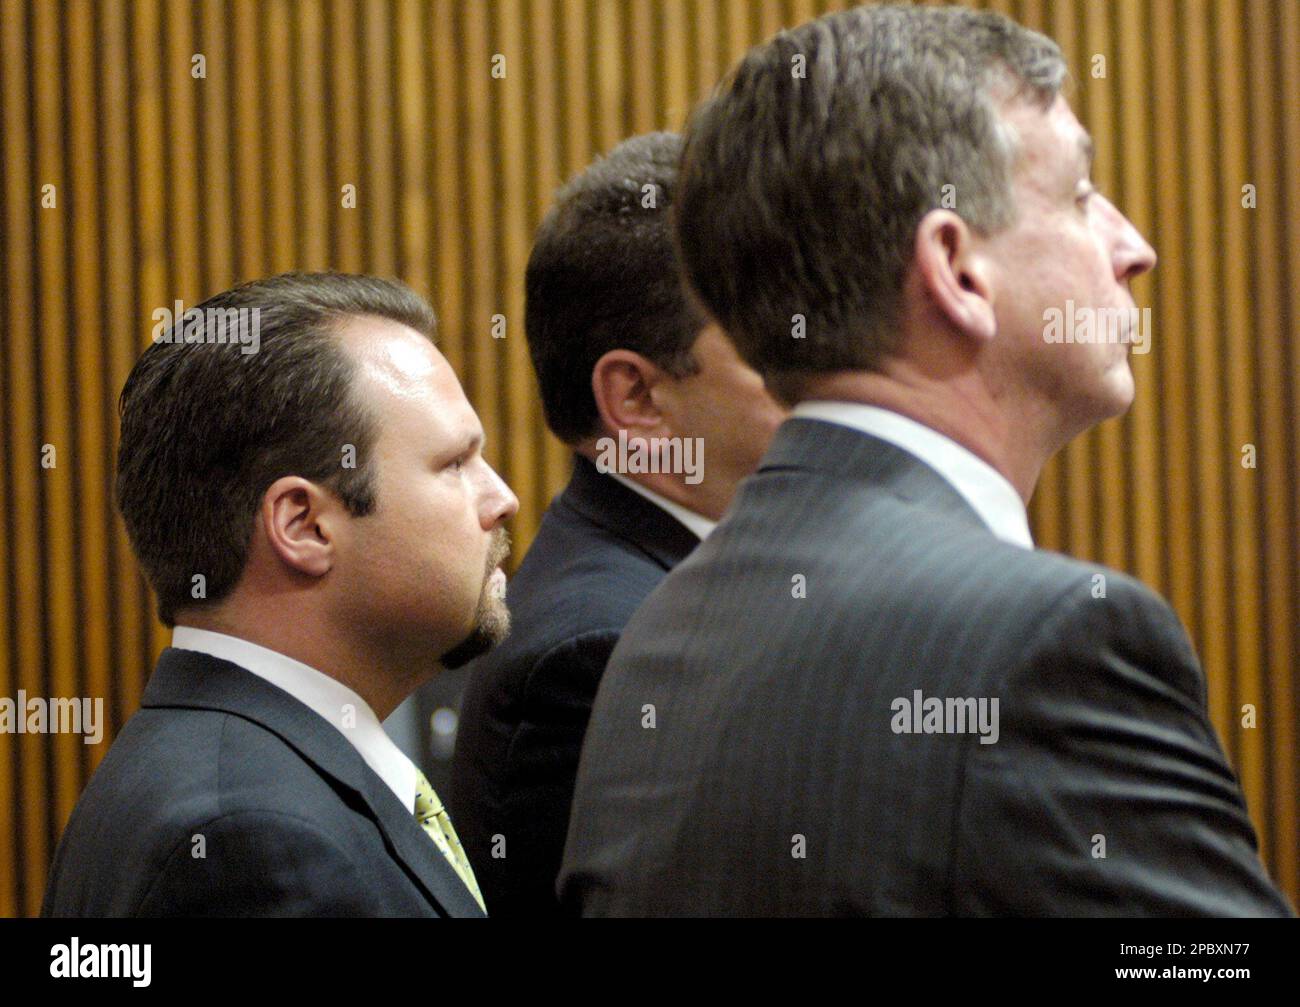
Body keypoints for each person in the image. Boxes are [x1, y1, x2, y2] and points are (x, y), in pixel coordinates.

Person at [559, 5, 1295, 916]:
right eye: (1077, 196)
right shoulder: (1051, 641)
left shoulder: (659, 637)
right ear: (956, 269)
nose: (1133, 248)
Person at [42, 272, 517, 917]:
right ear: (303, 524)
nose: (501, 499)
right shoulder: (253, 842)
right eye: (455, 464)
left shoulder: (210, 773)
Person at [448, 133, 786, 915]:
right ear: (637, 401)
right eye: (774, 336)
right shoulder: (606, 653)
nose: (830, 363)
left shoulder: (682, 582)